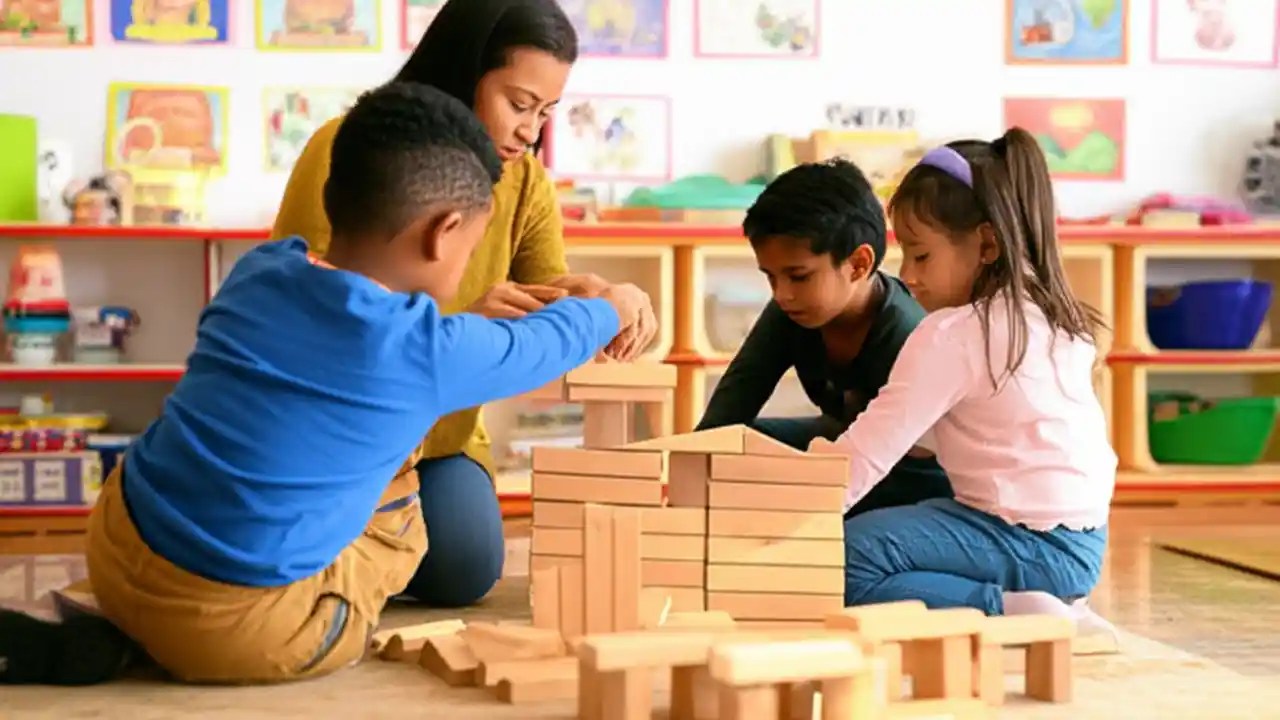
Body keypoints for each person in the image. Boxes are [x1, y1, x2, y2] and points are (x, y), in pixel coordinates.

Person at [0, 82, 650, 686]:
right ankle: (178, 639)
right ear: (444, 232)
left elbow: (376, 349)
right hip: (235, 627)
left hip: (117, 547)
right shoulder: (420, 351)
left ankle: (125, 632)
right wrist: (613, 303)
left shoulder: (261, 269)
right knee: (399, 502)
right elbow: (535, 346)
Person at [271, 0, 656, 609]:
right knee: (303, 553)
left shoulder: (524, 180)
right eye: (519, 104)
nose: (531, 130)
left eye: (547, 112)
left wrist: (604, 299)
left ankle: (360, 545)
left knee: (465, 570)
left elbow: (546, 294)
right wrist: (453, 332)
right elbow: (300, 314)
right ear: (462, 70)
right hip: (342, 423)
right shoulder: (351, 149)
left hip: (440, 437)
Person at [808, 129, 1117, 633]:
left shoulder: (953, 334)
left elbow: (862, 461)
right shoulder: (1051, 314)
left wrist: (790, 514)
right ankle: (1041, 600)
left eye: (921, 255)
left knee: (838, 559)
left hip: (1026, 539)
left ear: (987, 244)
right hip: (1084, 545)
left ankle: (1013, 610)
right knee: (892, 526)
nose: (906, 274)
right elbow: (938, 442)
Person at [696, 159, 952, 515]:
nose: (782, 293)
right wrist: (688, 473)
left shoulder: (909, 335)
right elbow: (735, 400)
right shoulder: (790, 311)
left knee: (771, 481)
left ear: (859, 264)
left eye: (798, 276)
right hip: (845, 449)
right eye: (771, 277)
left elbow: (894, 462)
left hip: (915, 477)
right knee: (735, 446)